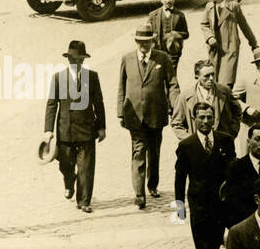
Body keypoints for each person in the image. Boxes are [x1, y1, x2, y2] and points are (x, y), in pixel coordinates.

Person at [175, 101, 236, 249]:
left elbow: (232, 171)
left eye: (209, 117)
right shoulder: (187, 146)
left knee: (213, 246)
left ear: (214, 118)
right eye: (201, 117)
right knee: (204, 248)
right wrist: (179, 208)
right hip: (199, 206)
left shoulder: (226, 141)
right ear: (194, 119)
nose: (206, 121)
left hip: (221, 205)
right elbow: (179, 178)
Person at [117, 27, 176, 210]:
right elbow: (121, 86)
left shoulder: (162, 58)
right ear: (136, 42)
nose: (143, 45)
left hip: (156, 114)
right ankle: (139, 193)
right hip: (134, 115)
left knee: (154, 152)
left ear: (153, 41)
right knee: (138, 152)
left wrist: (175, 105)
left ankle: (153, 184)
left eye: (147, 41)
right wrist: (120, 111)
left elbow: (173, 84)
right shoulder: (127, 59)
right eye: (140, 41)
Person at [43, 41, 105, 213]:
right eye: (73, 60)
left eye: (79, 60)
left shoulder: (92, 77)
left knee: (86, 167)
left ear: (83, 60)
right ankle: (69, 182)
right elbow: (51, 104)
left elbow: (98, 103)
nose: (76, 63)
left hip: (86, 130)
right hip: (65, 131)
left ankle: (84, 200)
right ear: (68, 59)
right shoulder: (58, 78)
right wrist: (48, 131)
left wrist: (102, 127)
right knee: (66, 164)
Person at [201, 0, 258, 92]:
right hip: (214, 49)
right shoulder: (209, 7)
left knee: (226, 83)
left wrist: (254, 43)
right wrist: (209, 37)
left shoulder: (233, 6)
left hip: (230, 49)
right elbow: (204, 24)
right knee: (213, 80)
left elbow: (244, 26)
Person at [171, 59, 243, 142]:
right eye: (207, 76)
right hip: (196, 148)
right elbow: (176, 124)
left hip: (221, 144)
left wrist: (231, 134)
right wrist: (190, 141)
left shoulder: (225, 91)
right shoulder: (185, 96)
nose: (211, 78)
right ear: (197, 76)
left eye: (213, 74)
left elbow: (237, 112)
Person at [145, 0, 188, 81]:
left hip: (173, 53)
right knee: (158, 76)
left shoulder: (180, 15)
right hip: (157, 51)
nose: (168, 0)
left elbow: (186, 34)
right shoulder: (153, 15)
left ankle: (172, 94)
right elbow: (147, 33)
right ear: (161, 0)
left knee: (172, 76)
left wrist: (175, 34)